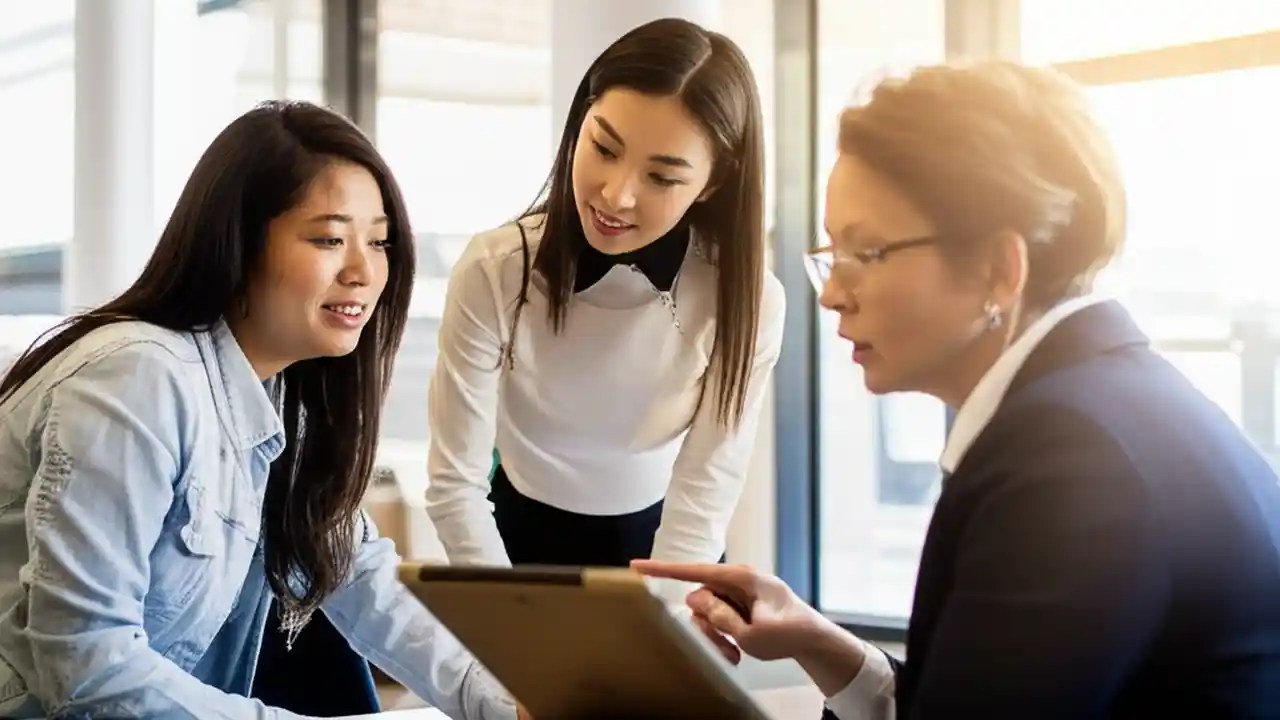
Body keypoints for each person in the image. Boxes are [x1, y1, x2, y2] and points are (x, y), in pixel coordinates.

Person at [635, 60, 1280, 718]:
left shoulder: (1072, 459)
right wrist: (820, 643)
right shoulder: (1106, 403)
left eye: (869, 253)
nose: (831, 294)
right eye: (832, 254)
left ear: (1000, 270)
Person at [0, 101, 517, 719]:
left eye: (378, 241)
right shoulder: (137, 378)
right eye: (329, 238)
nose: (363, 270)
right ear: (239, 243)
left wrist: (509, 704)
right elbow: (87, 667)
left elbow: (364, 581)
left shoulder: (280, 405)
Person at [425, 18, 785, 586]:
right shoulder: (494, 271)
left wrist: (660, 614)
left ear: (713, 184)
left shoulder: (749, 299)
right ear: (579, 123)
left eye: (662, 178)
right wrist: (500, 611)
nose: (616, 194)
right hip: (512, 544)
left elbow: (707, 485)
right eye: (603, 148)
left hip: (672, 549)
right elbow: (454, 484)